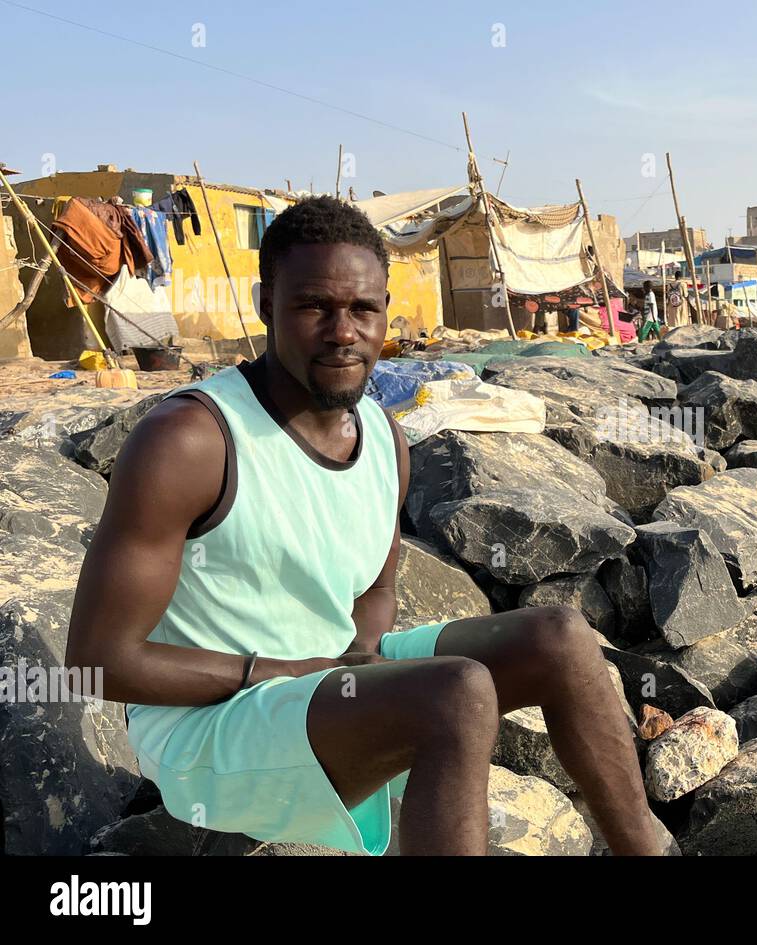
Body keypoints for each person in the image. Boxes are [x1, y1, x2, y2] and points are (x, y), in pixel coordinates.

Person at [64, 196, 661, 856]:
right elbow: (96, 663)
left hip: (318, 686)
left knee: (561, 636)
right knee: (455, 695)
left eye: (363, 310)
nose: (343, 331)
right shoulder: (191, 440)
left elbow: (375, 589)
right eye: (315, 306)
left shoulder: (382, 437)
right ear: (267, 305)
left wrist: (362, 665)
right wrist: (275, 671)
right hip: (210, 729)